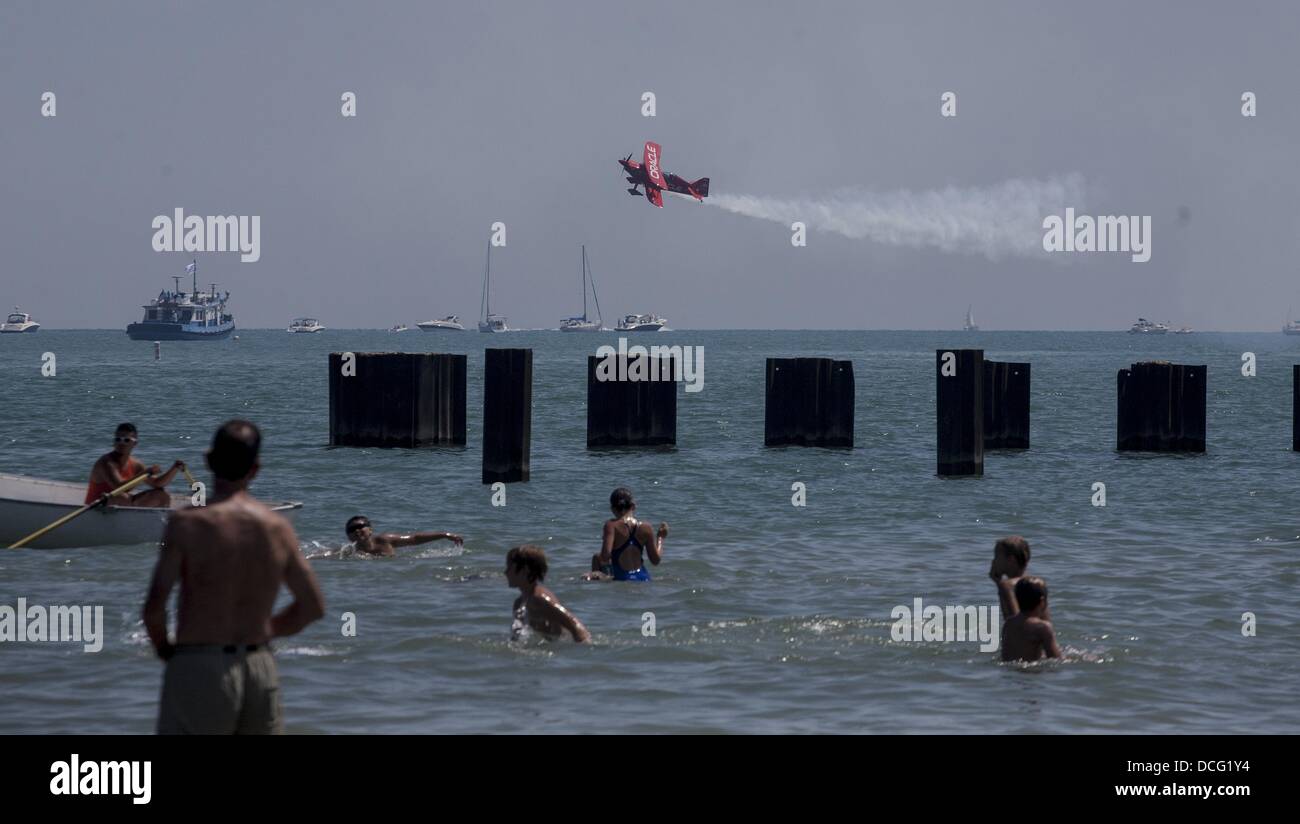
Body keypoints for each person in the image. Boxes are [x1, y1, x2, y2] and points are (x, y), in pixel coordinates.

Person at [142, 420, 326, 734]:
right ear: (255, 469)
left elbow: (154, 608)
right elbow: (312, 607)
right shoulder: (276, 527)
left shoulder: (187, 524)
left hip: (200, 663)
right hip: (258, 665)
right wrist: (266, 630)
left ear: (209, 460)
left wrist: (167, 651)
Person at [85, 422, 185, 506]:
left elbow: (157, 483)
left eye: (126, 440)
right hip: (96, 507)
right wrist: (144, 474)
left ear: (135, 443)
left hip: (118, 508)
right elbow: (119, 487)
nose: (122, 443)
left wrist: (174, 469)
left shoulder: (136, 464)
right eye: (118, 439)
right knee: (121, 496)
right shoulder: (106, 462)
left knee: (162, 495)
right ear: (114, 442)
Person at [506, 545, 590, 642]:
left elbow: (575, 625)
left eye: (509, 567)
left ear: (525, 571)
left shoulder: (540, 598)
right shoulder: (519, 603)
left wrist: (584, 650)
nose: (505, 572)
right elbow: (515, 639)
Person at [585, 487, 667, 581]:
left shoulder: (611, 525)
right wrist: (660, 537)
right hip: (643, 578)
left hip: (622, 578)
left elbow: (605, 556)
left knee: (596, 559)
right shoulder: (646, 527)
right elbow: (655, 560)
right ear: (633, 506)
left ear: (612, 509)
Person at [1000, 577, 1062, 663]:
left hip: (1008, 672)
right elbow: (1056, 659)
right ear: (1042, 601)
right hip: (1029, 672)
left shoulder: (1008, 623)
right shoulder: (1042, 627)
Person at [344, 516, 463, 557]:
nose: (357, 531)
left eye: (360, 526)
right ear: (348, 536)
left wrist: (444, 535)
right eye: (352, 529)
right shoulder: (348, 552)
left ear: (370, 529)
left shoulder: (385, 540)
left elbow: (415, 539)